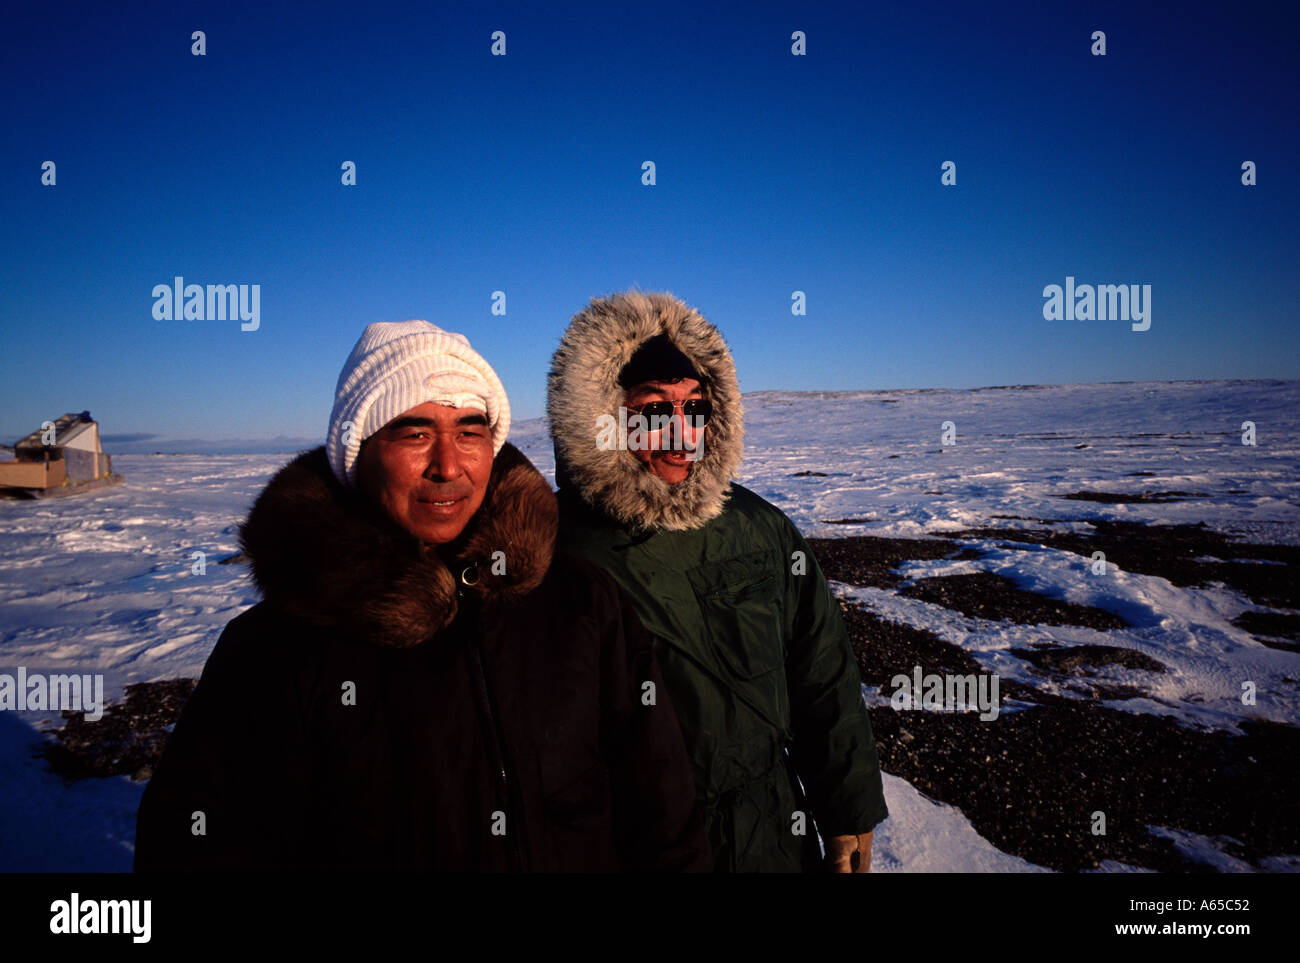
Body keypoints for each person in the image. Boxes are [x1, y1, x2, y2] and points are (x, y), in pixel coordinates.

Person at [135, 320, 709, 872]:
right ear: (358, 452)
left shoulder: (579, 601)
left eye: (469, 430)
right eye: (414, 434)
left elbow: (659, 804)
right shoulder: (274, 650)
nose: (448, 466)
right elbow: (198, 849)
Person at [547, 291, 888, 872]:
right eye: (655, 411)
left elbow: (821, 669)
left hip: (773, 834)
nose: (682, 435)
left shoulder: (759, 529)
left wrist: (847, 803)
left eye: (695, 410)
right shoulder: (556, 554)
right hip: (633, 846)